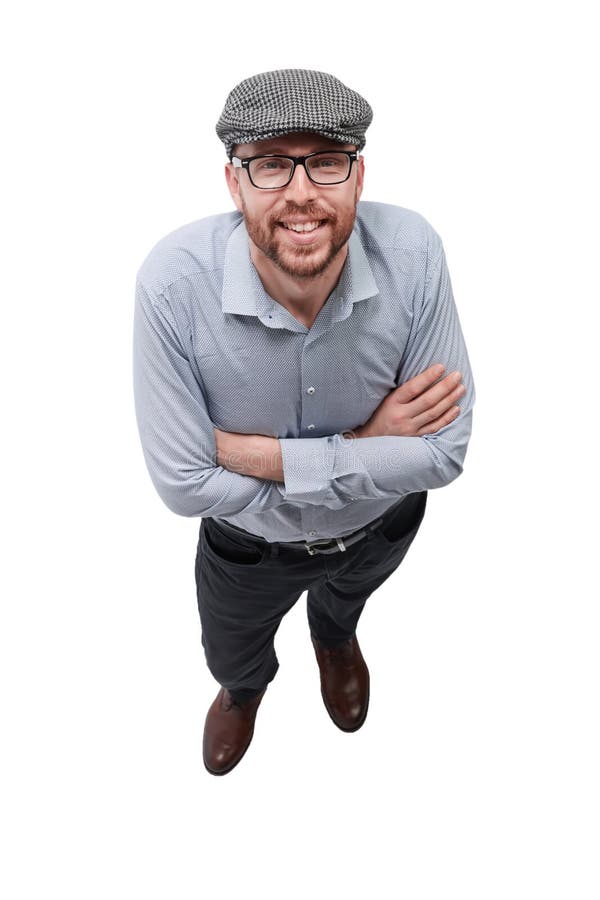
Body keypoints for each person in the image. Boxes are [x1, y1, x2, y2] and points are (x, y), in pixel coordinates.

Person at [133, 68, 475, 776]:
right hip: (248, 546)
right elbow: (184, 485)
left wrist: (262, 457)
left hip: (381, 525)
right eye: (269, 165)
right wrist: (368, 446)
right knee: (230, 644)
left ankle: (335, 637)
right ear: (234, 184)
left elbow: (442, 454)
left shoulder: (413, 253)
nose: (299, 192)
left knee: (349, 597)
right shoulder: (171, 283)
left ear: (358, 177)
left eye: (325, 161)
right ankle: (244, 687)